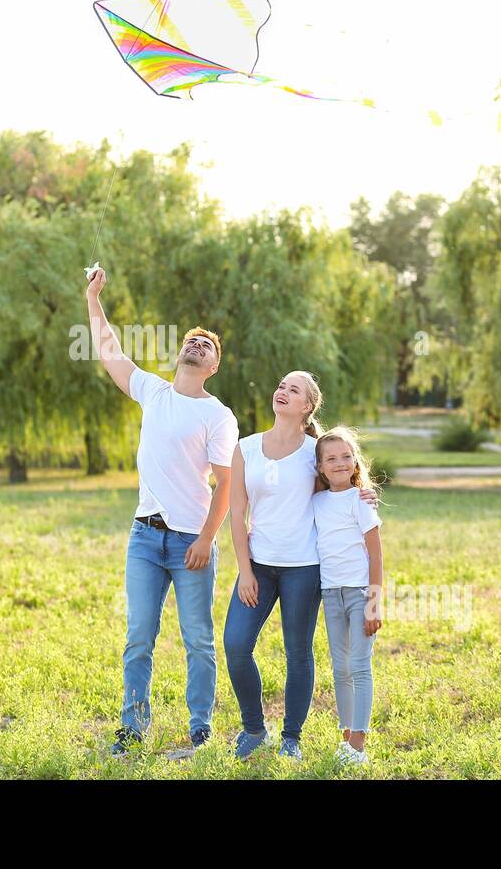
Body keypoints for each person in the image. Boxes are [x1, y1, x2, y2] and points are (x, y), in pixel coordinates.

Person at [84, 265, 238, 756]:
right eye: (192, 342)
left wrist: (206, 540)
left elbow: (225, 485)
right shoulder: (153, 391)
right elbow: (109, 349)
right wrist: (93, 299)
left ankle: (200, 729)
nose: (197, 346)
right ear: (180, 354)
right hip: (145, 539)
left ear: (213, 366)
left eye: (206, 347)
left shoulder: (217, 415)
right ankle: (132, 728)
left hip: (192, 542)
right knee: (138, 639)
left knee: (197, 640)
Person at [224, 372, 376, 761]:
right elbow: (236, 512)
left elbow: (342, 479)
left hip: (304, 569)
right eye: (280, 385)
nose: (282, 391)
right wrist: (245, 570)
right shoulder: (246, 449)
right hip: (258, 565)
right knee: (236, 644)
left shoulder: (314, 452)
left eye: (293, 389)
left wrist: (366, 492)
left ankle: (292, 736)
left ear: (307, 406)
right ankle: (254, 729)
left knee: (298, 652)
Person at [313, 425, 385, 767]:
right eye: (331, 458)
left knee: (359, 665)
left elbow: (376, 555)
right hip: (331, 594)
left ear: (355, 462)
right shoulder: (316, 502)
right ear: (321, 468)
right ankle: (346, 735)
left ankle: (358, 744)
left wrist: (373, 602)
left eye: (346, 456)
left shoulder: (361, 502)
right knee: (340, 668)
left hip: (359, 594)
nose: (340, 463)